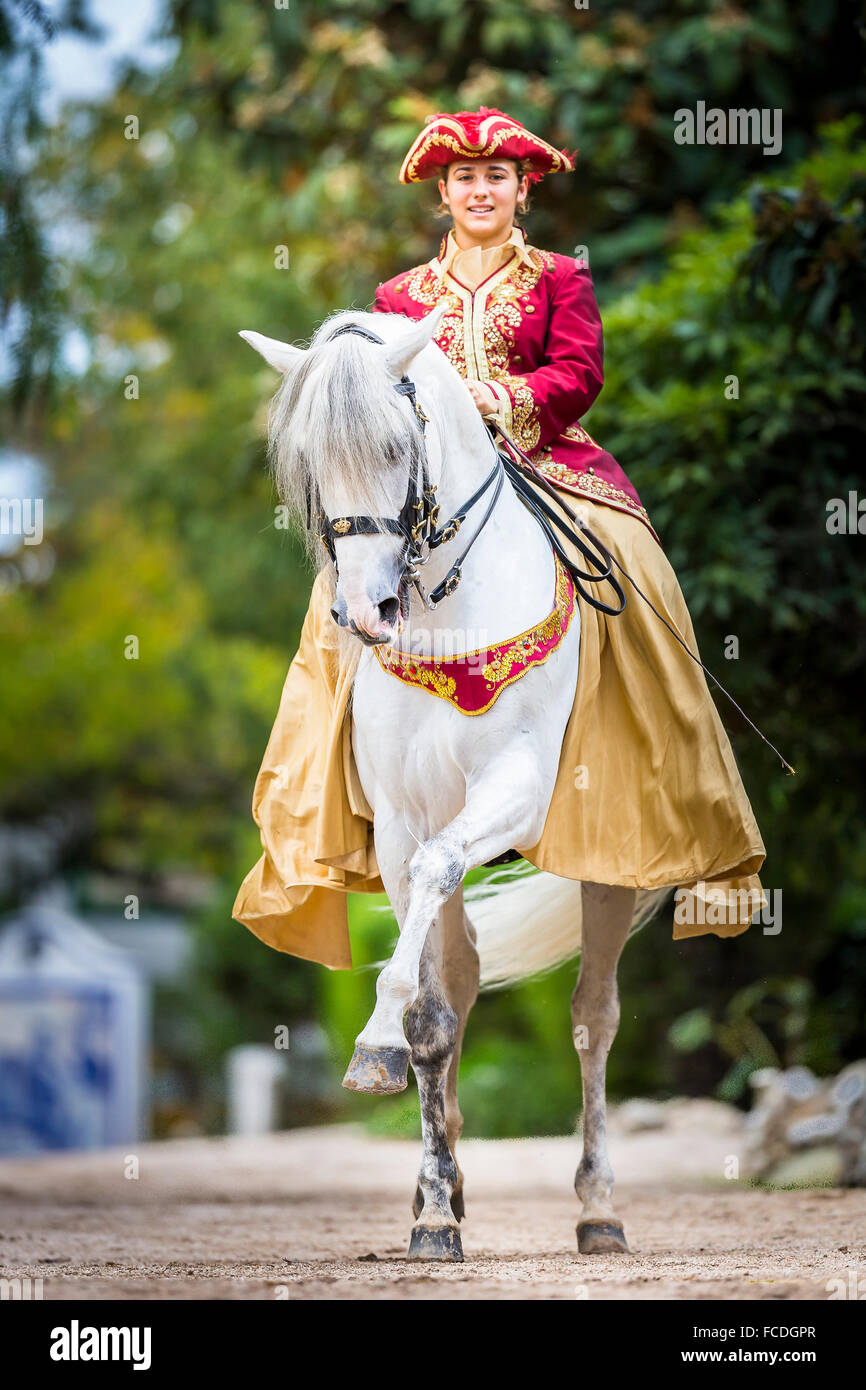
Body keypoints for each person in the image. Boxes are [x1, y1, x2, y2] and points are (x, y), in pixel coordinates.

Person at [233, 107, 766, 970]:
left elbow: (578, 375)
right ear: (443, 195)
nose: (482, 191)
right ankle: (324, 792)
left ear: (523, 192)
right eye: (466, 179)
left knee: (633, 567)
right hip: (426, 483)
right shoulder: (398, 298)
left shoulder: (562, 277)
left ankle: (659, 753)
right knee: (342, 589)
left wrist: (497, 400)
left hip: (549, 460)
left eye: (498, 178)